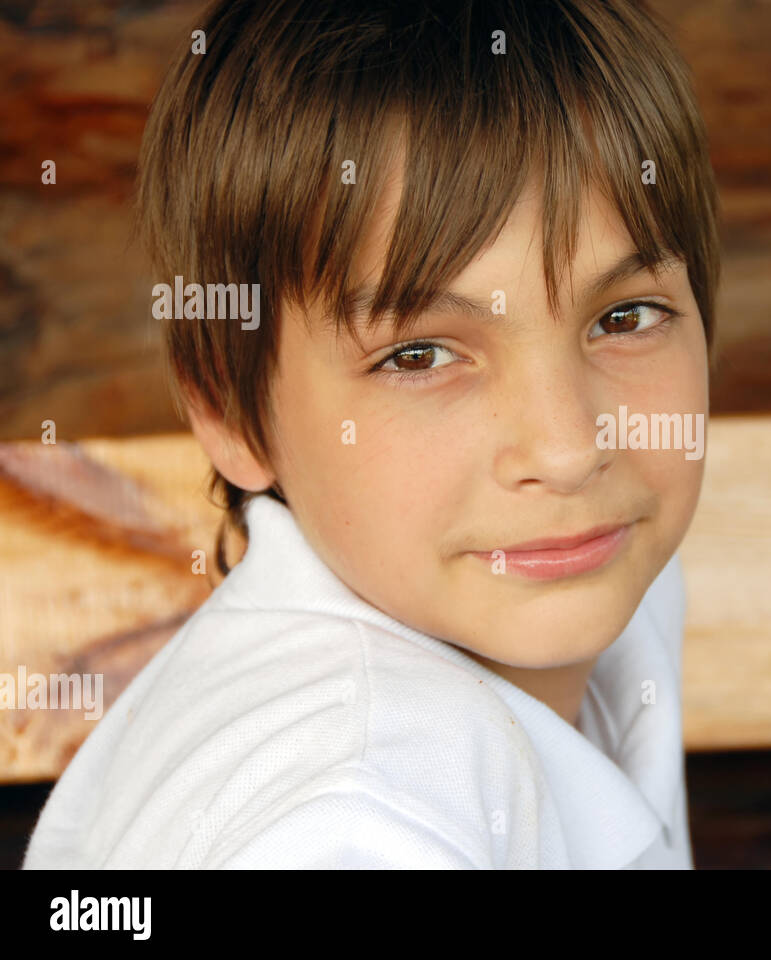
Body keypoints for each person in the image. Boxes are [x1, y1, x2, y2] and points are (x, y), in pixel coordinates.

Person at [23, 0, 721, 869]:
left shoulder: (604, 574)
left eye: (625, 316)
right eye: (420, 354)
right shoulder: (360, 820)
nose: (569, 448)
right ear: (231, 412)